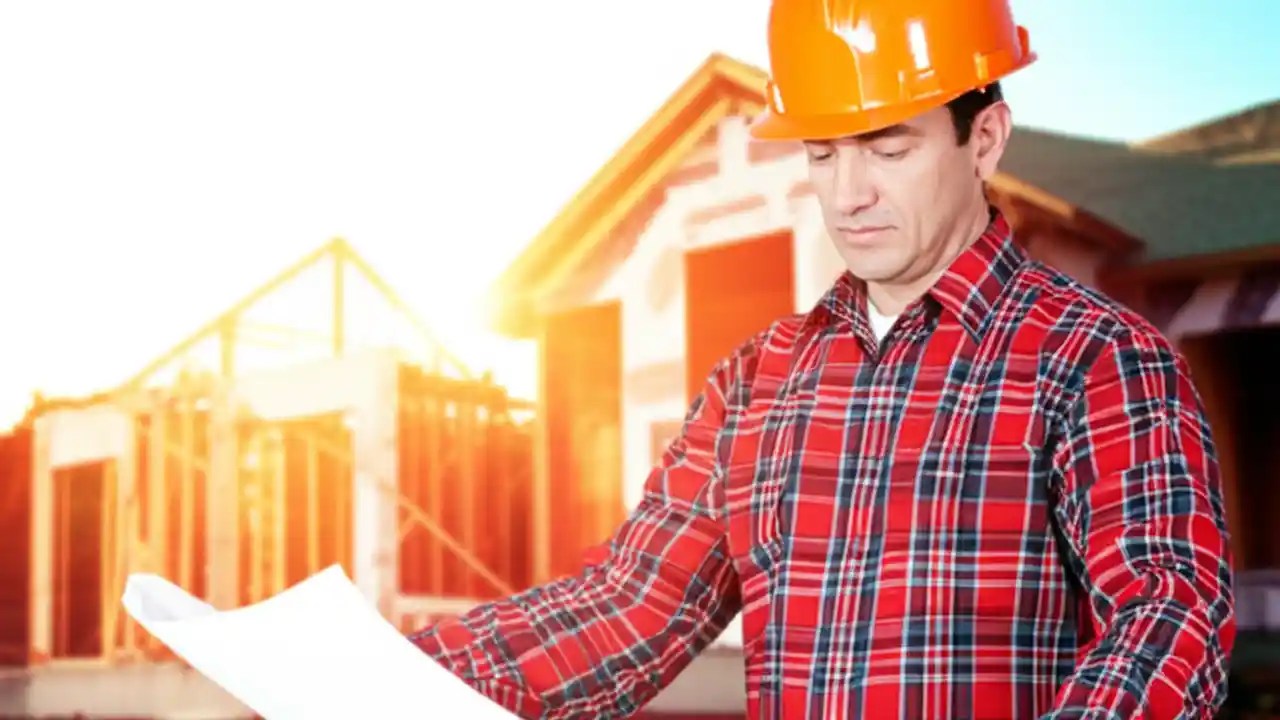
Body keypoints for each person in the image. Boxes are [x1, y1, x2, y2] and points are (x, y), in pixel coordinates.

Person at [409, 1, 1237, 717]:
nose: (848, 195)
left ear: (983, 138)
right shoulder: (757, 382)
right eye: (823, 153)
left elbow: (1166, 619)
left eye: (887, 149)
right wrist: (378, 679)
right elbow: (629, 606)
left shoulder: (1098, 360)